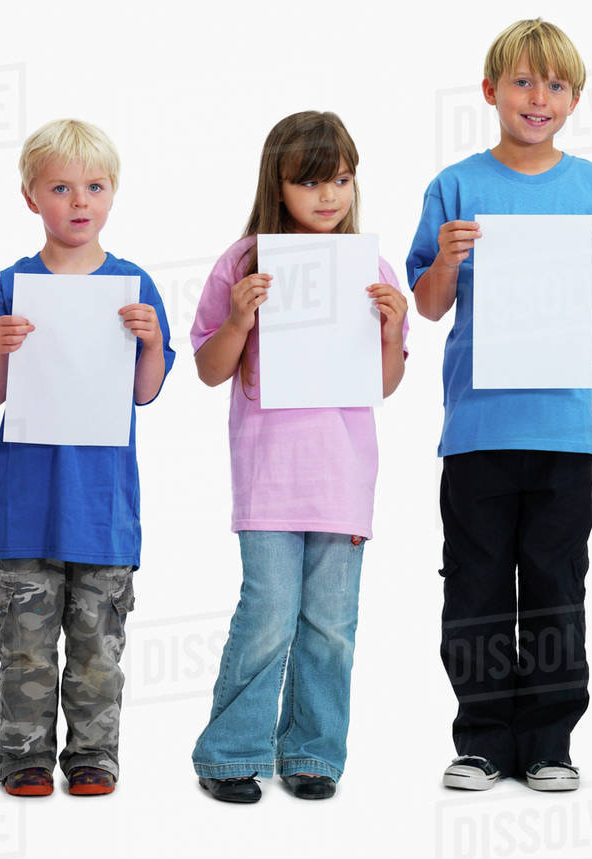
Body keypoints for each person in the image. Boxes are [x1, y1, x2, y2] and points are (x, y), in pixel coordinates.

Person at [407, 18, 592, 792]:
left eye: (555, 85)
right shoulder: (457, 185)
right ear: (490, 91)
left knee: (555, 585)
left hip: (565, 428)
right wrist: (444, 258)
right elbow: (430, 306)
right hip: (476, 429)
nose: (538, 98)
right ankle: (479, 739)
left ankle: (548, 742)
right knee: (473, 584)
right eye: (522, 82)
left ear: (575, 98)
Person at [190, 111, 408, 803]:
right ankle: (231, 755)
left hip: (343, 478)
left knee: (331, 626)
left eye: (341, 179)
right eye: (310, 181)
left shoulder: (370, 268)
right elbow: (208, 369)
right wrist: (238, 320)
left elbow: (384, 385)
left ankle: (313, 754)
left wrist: (394, 329)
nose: (328, 196)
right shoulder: (245, 260)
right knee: (267, 613)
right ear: (277, 185)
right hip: (269, 476)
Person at [0, 118, 175, 797]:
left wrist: (149, 343)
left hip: (103, 510)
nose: (79, 201)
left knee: (97, 653)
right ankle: (24, 755)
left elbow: (146, 395)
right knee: (24, 651)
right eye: (61, 188)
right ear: (33, 198)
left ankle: (94, 755)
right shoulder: (12, 285)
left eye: (94, 186)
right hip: (25, 510)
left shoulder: (134, 285)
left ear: (113, 194)